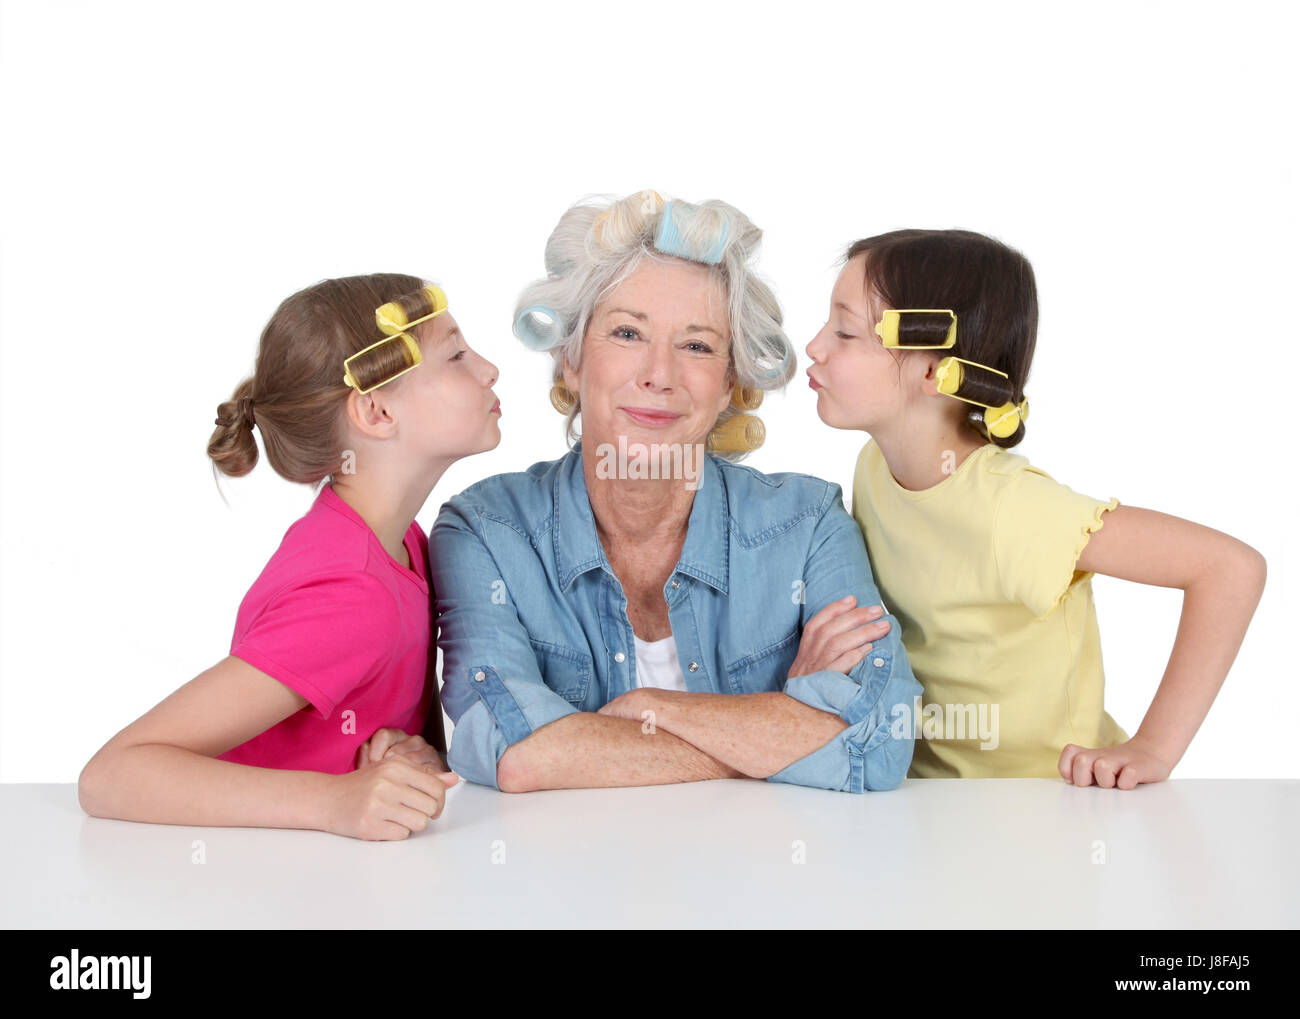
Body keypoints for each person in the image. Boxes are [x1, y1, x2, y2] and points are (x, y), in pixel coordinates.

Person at [430, 189, 923, 794]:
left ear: (729, 382)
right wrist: (784, 730)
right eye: (627, 333)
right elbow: (518, 755)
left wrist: (649, 709)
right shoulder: (486, 530)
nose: (659, 375)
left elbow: (878, 742)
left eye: (696, 345)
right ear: (571, 360)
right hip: (561, 885)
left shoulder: (808, 524)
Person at [806, 229, 1267, 786]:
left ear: (933, 371)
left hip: (1048, 802)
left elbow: (1229, 569)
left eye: (846, 331)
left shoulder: (1012, 509)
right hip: (923, 797)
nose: (815, 347)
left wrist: (1154, 747)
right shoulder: (873, 469)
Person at [78, 274, 499, 839]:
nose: (489, 369)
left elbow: (394, 753)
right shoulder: (350, 590)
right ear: (375, 412)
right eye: (455, 356)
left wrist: (415, 762)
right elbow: (111, 776)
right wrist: (334, 801)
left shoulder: (402, 545)